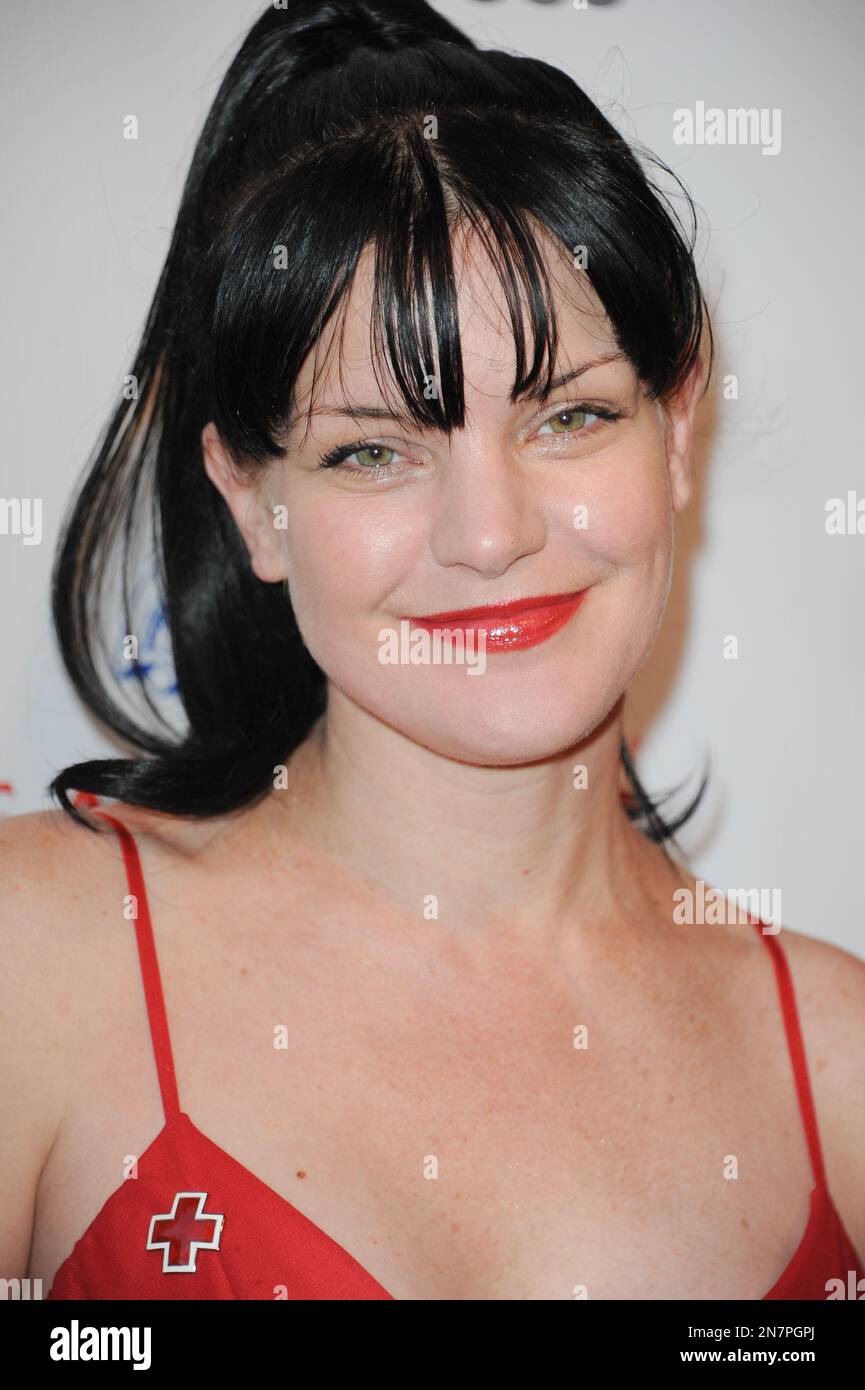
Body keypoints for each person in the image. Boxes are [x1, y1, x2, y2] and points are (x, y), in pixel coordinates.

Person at [2, 0, 863, 1302]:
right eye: (373, 450)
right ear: (252, 501)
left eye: (568, 417)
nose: (490, 534)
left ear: (677, 428)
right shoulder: (32, 959)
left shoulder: (844, 1065)